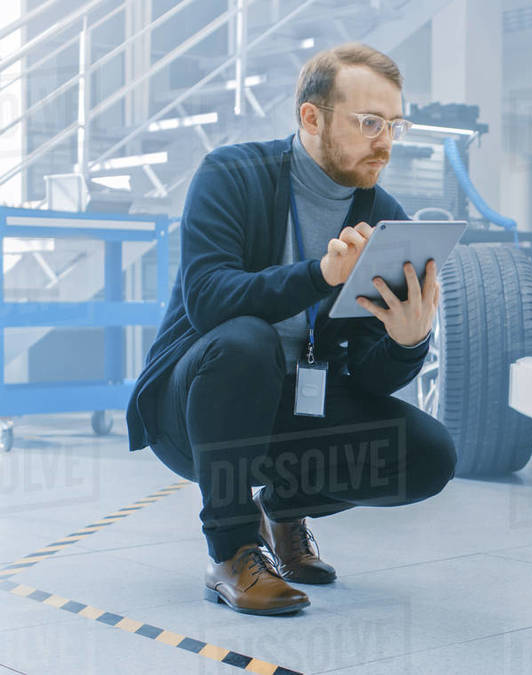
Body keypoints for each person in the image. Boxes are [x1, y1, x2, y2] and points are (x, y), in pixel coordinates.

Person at [124, 42, 457, 616]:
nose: (385, 141)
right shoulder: (232, 172)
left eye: (394, 126)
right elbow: (208, 300)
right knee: (245, 341)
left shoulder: (384, 217)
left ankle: (283, 511)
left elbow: (370, 376)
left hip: (295, 414)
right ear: (311, 117)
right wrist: (320, 274)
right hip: (197, 412)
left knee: (429, 455)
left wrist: (409, 343)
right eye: (369, 122)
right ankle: (232, 553)